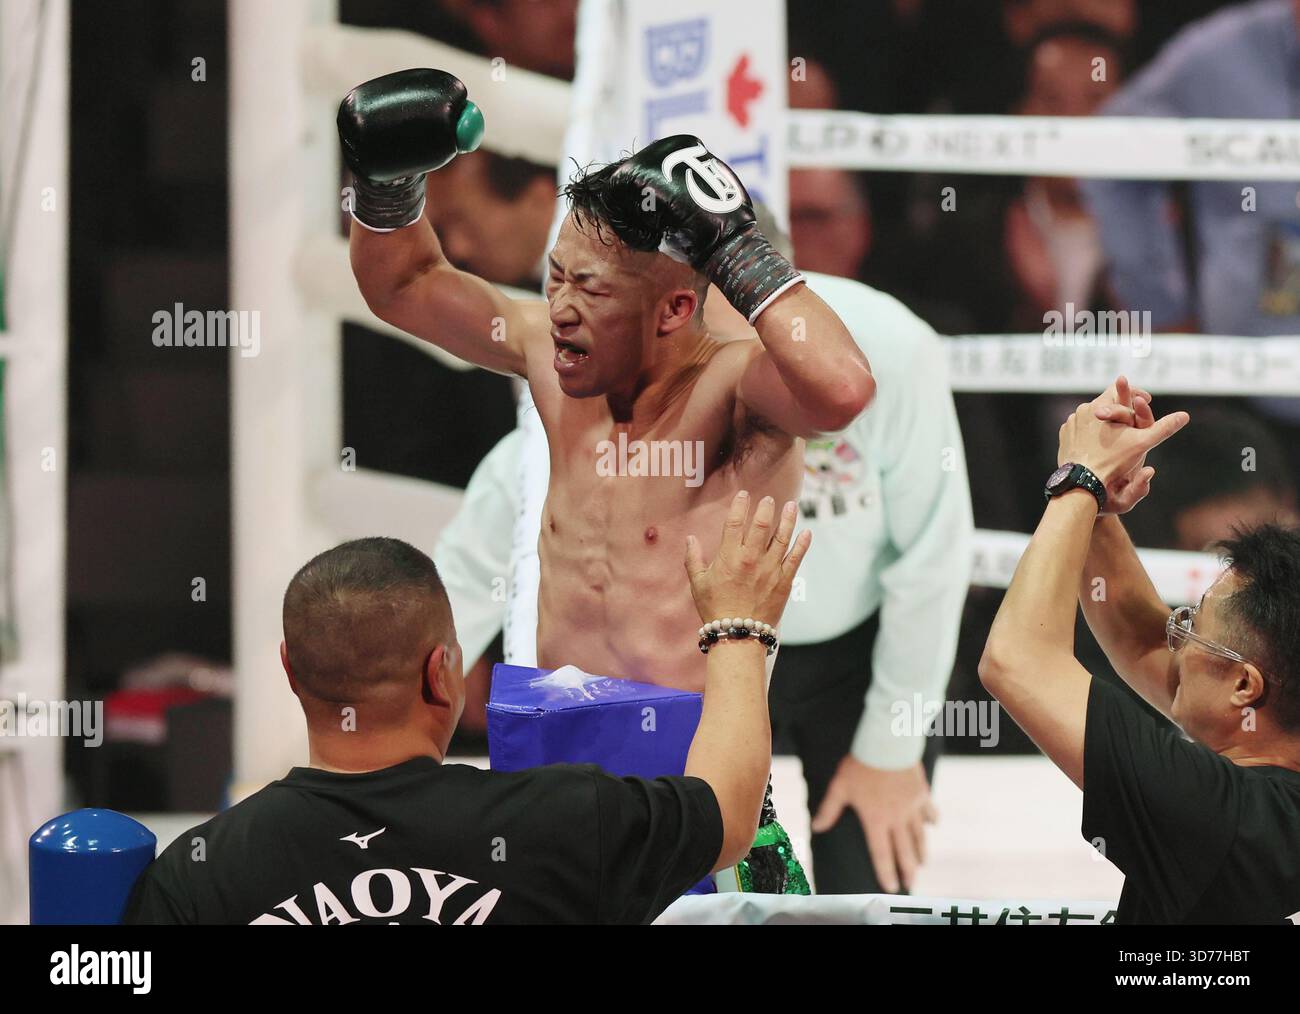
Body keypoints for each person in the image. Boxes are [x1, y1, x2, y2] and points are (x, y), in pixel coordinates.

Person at [436, 211, 972, 895]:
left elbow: (933, 552)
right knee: (665, 881)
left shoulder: (884, 349)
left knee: (863, 884)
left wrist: (890, 751)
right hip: (695, 665)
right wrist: (404, 735)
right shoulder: (637, 365)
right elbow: (501, 523)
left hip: (853, 654)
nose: (700, 359)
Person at [339, 68, 873, 694]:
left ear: (673, 310)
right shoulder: (546, 346)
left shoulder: (736, 389)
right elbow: (405, 286)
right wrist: (385, 188)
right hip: (561, 747)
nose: (560, 307)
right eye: (556, 276)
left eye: (590, 288)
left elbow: (843, 391)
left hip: (689, 761)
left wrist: (736, 248)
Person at [123, 494, 812, 924]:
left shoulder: (199, 875)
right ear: (441, 672)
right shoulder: (566, 823)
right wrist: (740, 628)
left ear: (290, 673)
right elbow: (727, 813)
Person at [981, 377, 1300, 923]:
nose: (1173, 639)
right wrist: (1099, 508)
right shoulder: (1269, 803)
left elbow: (1017, 660)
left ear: (1246, 685)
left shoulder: (1222, 814)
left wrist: (1078, 482)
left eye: (1192, 629)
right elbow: (1144, 640)